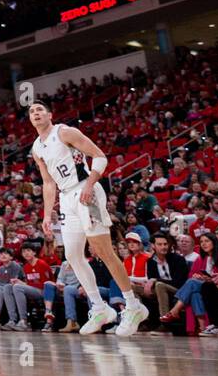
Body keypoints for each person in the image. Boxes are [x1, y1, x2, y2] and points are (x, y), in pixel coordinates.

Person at [27, 101, 147, 336]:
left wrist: (90, 185)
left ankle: (133, 306)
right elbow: (48, 182)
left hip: (86, 191)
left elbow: (100, 157)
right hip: (66, 198)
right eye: (32, 112)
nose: (36, 113)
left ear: (50, 114)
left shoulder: (65, 132)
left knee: (104, 252)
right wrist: (46, 213)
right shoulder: (36, 147)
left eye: (40, 110)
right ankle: (100, 308)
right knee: (72, 255)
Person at [141, 232, 189, 321]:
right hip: (159, 289)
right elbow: (151, 280)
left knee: (159, 285)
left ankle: (165, 322)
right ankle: (143, 319)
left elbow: (178, 282)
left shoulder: (178, 259)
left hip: (178, 290)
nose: (164, 247)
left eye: (165, 244)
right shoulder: (151, 261)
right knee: (133, 288)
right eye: (160, 244)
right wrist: (147, 284)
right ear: (153, 246)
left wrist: (155, 280)